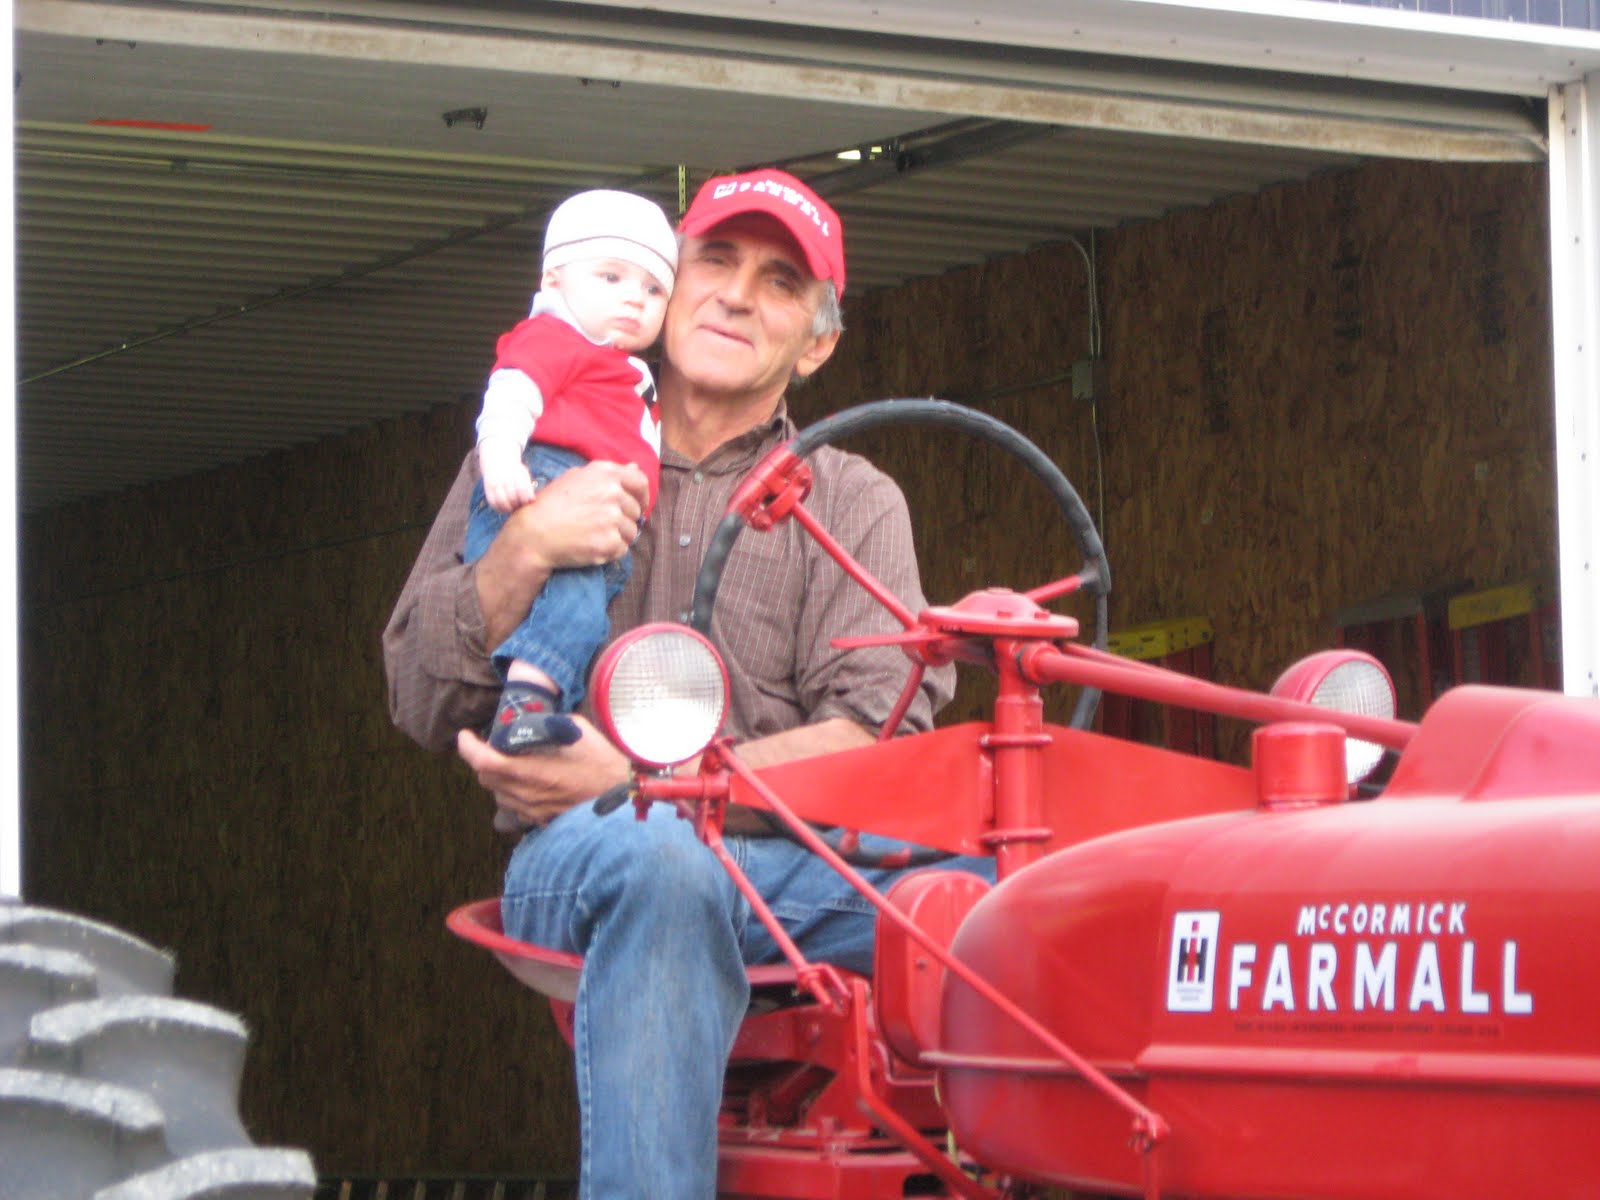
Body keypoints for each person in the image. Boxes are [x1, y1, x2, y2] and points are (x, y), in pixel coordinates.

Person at [383, 167, 992, 1199]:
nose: (737, 293)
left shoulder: (851, 496)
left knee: (1009, 908)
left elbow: (865, 739)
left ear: (817, 341)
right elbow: (418, 691)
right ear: (663, 291)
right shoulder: (534, 448)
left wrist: (638, 776)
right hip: (580, 859)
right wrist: (523, 545)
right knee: (663, 864)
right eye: (713, 259)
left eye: (780, 281)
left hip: (787, 875)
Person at [465, 188, 677, 757]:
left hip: (606, 517)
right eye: (611, 277)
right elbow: (512, 392)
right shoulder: (555, 337)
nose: (634, 298)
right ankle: (526, 704)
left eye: (654, 288)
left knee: (583, 616)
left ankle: (538, 709)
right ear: (554, 283)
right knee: (571, 608)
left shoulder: (626, 370)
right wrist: (503, 458)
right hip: (547, 481)